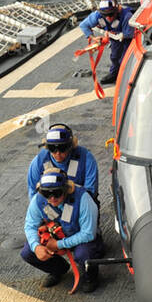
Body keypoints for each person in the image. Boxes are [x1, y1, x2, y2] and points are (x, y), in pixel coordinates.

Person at [21, 124, 102, 291]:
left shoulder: (85, 164)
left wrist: (59, 244)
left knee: (85, 251)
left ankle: (91, 273)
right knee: (28, 251)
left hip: (78, 220)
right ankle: (57, 269)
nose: (58, 153)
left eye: (62, 149)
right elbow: (30, 224)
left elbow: (87, 230)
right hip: (52, 225)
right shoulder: (39, 198)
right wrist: (37, 246)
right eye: (53, 149)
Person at [78, 0, 135, 85]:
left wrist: (113, 35)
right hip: (115, 38)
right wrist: (93, 37)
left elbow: (130, 33)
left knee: (126, 58)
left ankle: (129, 75)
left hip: (129, 38)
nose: (108, 18)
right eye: (105, 15)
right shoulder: (97, 15)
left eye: (111, 14)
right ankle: (114, 74)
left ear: (116, 11)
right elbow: (83, 25)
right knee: (114, 57)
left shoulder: (127, 16)